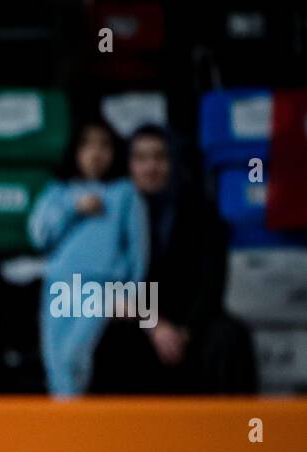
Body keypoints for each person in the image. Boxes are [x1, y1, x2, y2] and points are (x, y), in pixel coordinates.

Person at [89, 124, 259, 394]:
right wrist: (154, 326)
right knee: (106, 336)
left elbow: (211, 283)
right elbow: (107, 284)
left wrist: (185, 331)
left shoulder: (201, 212)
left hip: (190, 322)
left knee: (229, 338)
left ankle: (232, 432)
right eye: (141, 159)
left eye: (160, 157)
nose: (151, 167)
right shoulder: (111, 216)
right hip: (139, 321)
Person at [28, 118, 147, 397]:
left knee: (74, 357)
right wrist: (73, 207)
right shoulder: (58, 193)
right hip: (59, 287)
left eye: (104, 145)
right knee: (55, 364)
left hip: (101, 288)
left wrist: (131, 293)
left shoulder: (124, 194)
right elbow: (39, 235)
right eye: (87, 145)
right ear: (75, 151)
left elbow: (138, 249)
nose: (96, 153)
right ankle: (66, 430)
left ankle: (82, 424)